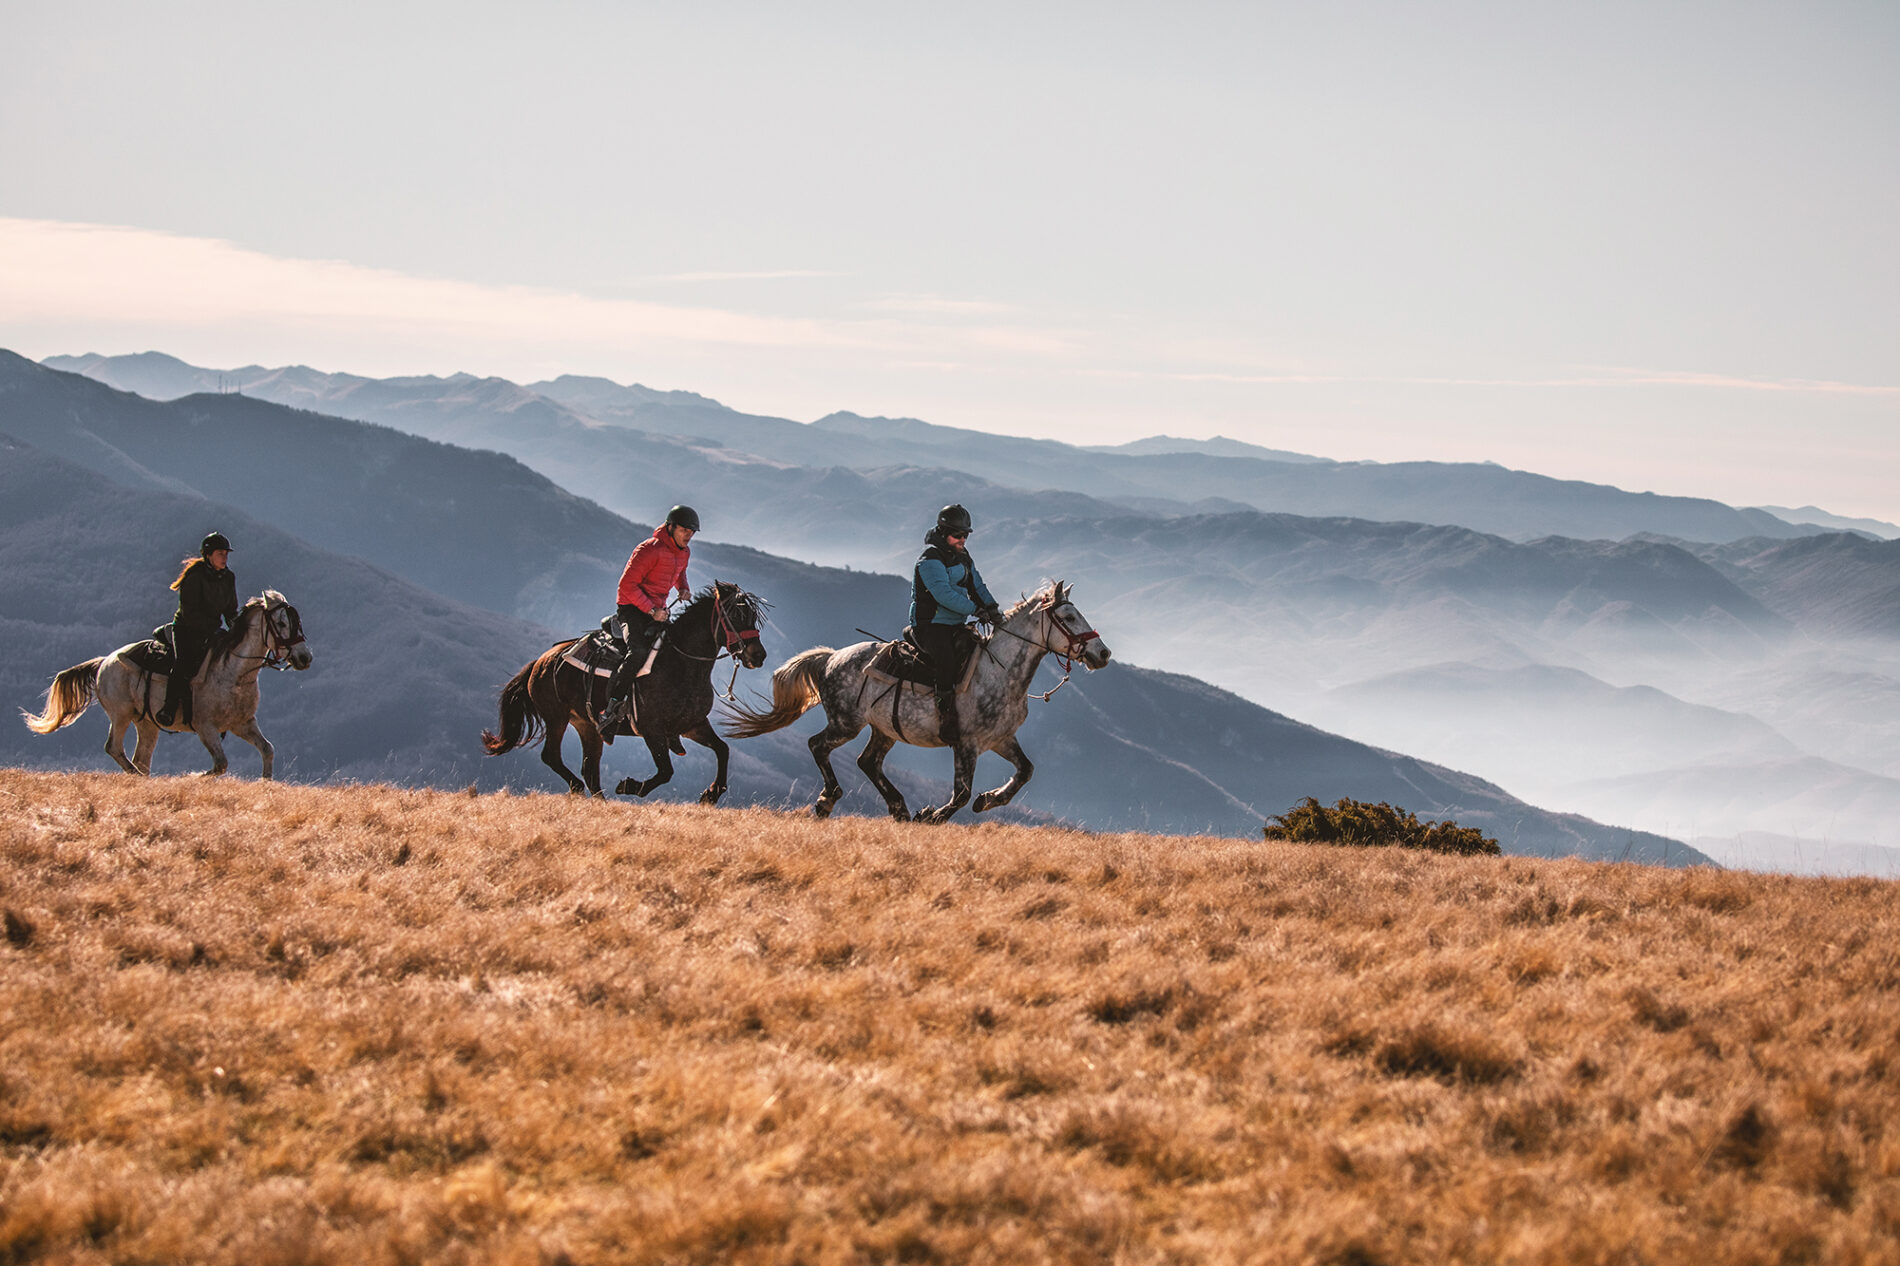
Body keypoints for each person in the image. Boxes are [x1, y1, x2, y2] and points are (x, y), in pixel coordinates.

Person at [910, 504, 1001, 747]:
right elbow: (944, 595)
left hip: (953, 624)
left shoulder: (963, 556)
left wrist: (993, 610)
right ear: (943, 532)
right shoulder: (929, 560)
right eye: (957, 535)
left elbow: (977, 586)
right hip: (930, 625)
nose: (962, 539)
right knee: (947, 661)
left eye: (966, 535)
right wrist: (975, 610)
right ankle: (945, 714)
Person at [603, 505, 698, 721]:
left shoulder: (684, 553)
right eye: (685, 530)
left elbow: (680, 572)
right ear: (671, 527)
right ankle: (612, 707)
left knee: (675, 652)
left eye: (692, 532)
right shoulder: (648, 549)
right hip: (632, 610)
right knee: (637, 652)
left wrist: (683, 588)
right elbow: (626, 586)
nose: (689, 535)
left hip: (658, 611)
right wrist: (651, 610)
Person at [155, 531, 240, 727]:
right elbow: (190, 613)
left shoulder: (229, 578)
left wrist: (237, 629)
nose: (225, 557)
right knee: (183, 663)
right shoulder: (194, 577)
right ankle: (168, 709)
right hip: (186, 629)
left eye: (226, 554)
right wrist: (214, 629)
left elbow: (230, 610)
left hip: (211, 631)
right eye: (220, 553)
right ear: (208, 555)